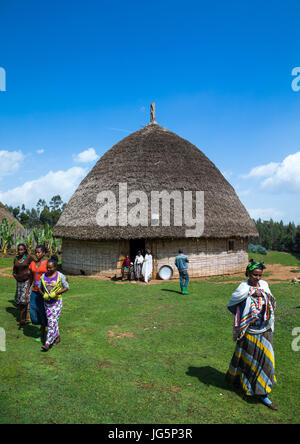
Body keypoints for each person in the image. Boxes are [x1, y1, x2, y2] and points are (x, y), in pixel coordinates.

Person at [225, 259, 277, 410]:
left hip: (265, 330)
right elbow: (232, 304)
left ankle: (263, 394)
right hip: (249, 331)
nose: (258, 278)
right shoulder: (242, 288)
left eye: (260, 275)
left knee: (266, 361)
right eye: (255, 275)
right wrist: (244, 318)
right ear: (248, 273)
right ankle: (245, 385)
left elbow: (271, 301)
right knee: (249, 361)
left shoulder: (265, 285)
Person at [38, 255, 69, 352]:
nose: (48, 269)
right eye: (47, 267)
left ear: (55, 267)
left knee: (51, 322)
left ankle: (47, 343)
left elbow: (66, 287)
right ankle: (58, 337)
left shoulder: (60, 276)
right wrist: (44, 295)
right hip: (47, 303)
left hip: (57, 302)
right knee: (53, 321)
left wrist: (55, 293)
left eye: (50, 267)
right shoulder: (44, 276)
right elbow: (39, 287)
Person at [25, 245, 48, 343]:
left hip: (44, 293)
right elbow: (31, 278)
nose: (37, 254)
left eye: (39, 252)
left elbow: (52, 276)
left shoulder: (47, 264)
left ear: (43, 253)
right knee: (33, 312)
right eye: (36, 252)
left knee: (42, 312)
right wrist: (27, 291)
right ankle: (41, 327)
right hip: (34, 291)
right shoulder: (33, 264)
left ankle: (42, 334)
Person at [13, 244, 34, 326]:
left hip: (27, 281)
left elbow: (35, 265)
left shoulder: (29, 258)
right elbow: (14, 269)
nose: (20, 251)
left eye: (22, 249)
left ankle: (23, 318)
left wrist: (30, 272)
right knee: (18, 300)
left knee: (24, 300)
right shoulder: (16, 259)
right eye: (19, 249)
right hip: (19, 282)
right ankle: (24, 316)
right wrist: (15, 275)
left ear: (25, 250)